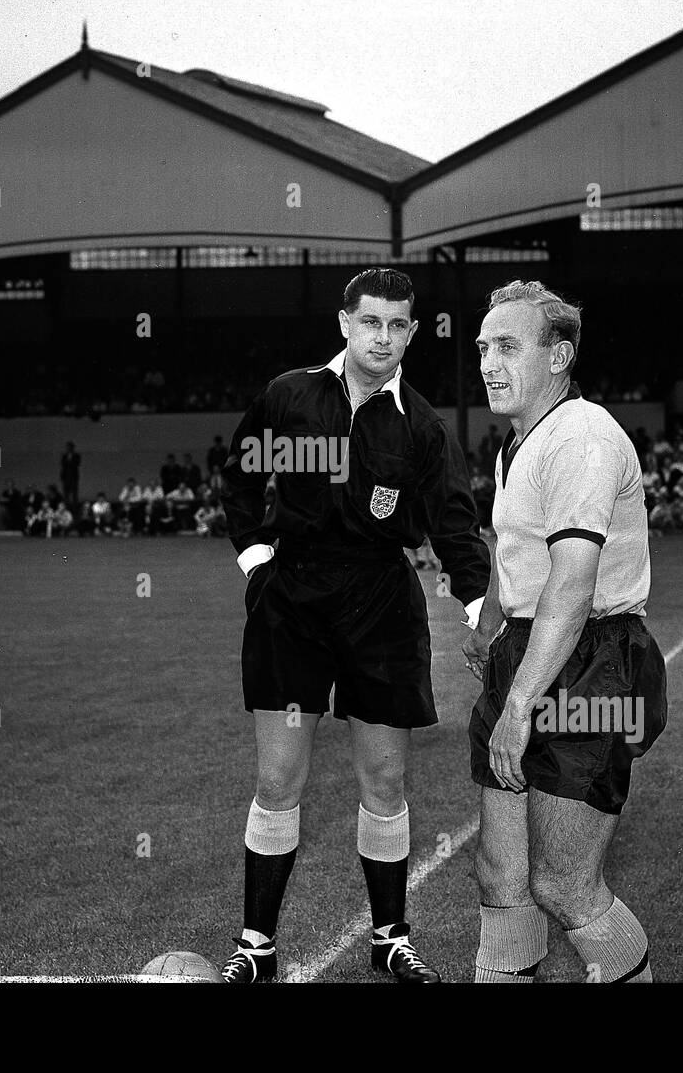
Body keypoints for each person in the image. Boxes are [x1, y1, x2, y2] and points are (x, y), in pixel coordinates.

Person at [218, 268, 490, 984]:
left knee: (386, 777)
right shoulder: (290, 394)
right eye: (371, 322)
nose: (384, 337)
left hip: (381, 602)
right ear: (345, 323)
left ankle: (390, 939)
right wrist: (256, 562)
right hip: (293, 601)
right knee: (278, 778)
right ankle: (256, 946)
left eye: (399, 325)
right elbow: (239, 476)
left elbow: (454, 525)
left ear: (412, 332)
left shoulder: (422, 425)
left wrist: (475, 607)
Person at [462, 280, 666, 984]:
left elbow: (573, 584)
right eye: (484, 346)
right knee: (500, 874)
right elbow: (514, 546)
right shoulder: (518, 443)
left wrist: (518, 707)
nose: (488, 361)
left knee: (564, 886)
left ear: (559, 355)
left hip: (592, 663)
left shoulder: (581, 435)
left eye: (508, 346)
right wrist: (491, 622)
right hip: (532, 649)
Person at [61, 442, 81, 509]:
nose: (68, 448)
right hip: (66, 477)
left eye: (69, 447)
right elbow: (63, 465)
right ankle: (66, 507)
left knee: (74, 494)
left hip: (73, 477)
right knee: (66, 494)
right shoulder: (64, 456)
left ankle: (75, 508)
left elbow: (77, 464)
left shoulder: (77, 456)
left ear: (72, 448)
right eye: (67, 447)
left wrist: (70, 462)